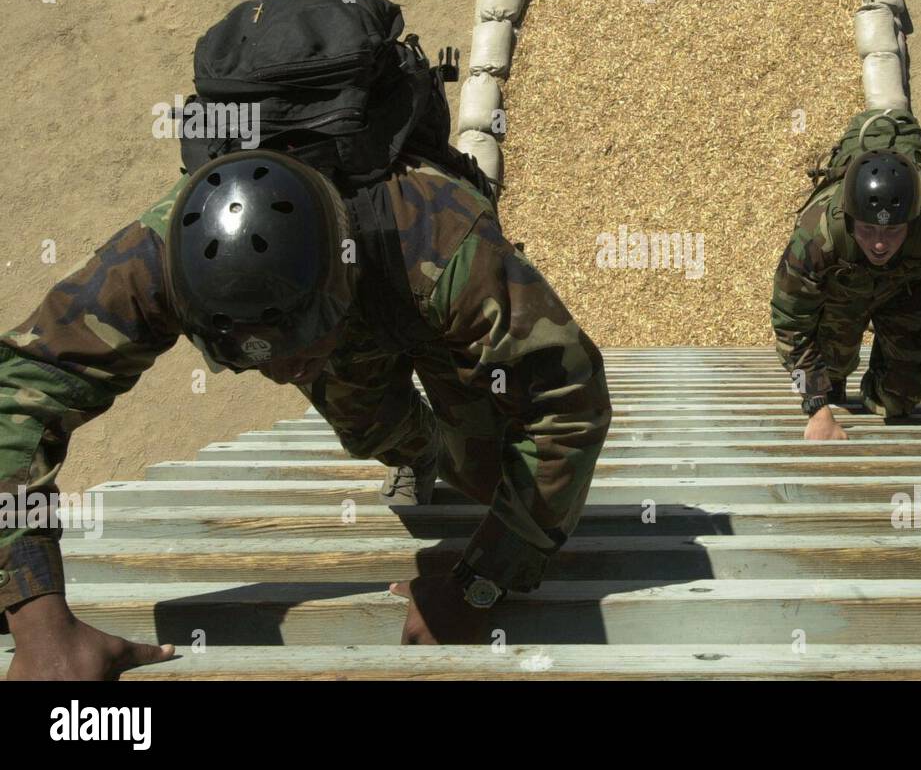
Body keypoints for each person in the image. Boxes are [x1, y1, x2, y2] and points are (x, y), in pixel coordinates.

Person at [0, 147, 611, 679]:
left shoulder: (446, 241)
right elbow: (18, 395)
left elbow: (566, 401)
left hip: (422, 296)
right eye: (256, 362)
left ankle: (448, 440)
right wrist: (39, 620)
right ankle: (423, 451)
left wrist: (479, 582)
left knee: (491, 479)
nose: (284, 375)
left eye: (301, 352)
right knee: (372, 433)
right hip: (348, 313)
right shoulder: (155, 263)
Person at [771, 144, 921, 452]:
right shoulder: (815, 236)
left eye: (893, 230)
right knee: (827, 379)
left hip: (905, 291)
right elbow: (790, 325)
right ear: (849, 218)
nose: (880, 244)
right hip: (842, 295)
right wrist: (816, 407)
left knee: (899, 398)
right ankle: (834, 380)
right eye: (867, 229)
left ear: (911, 221)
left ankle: (879, 384)